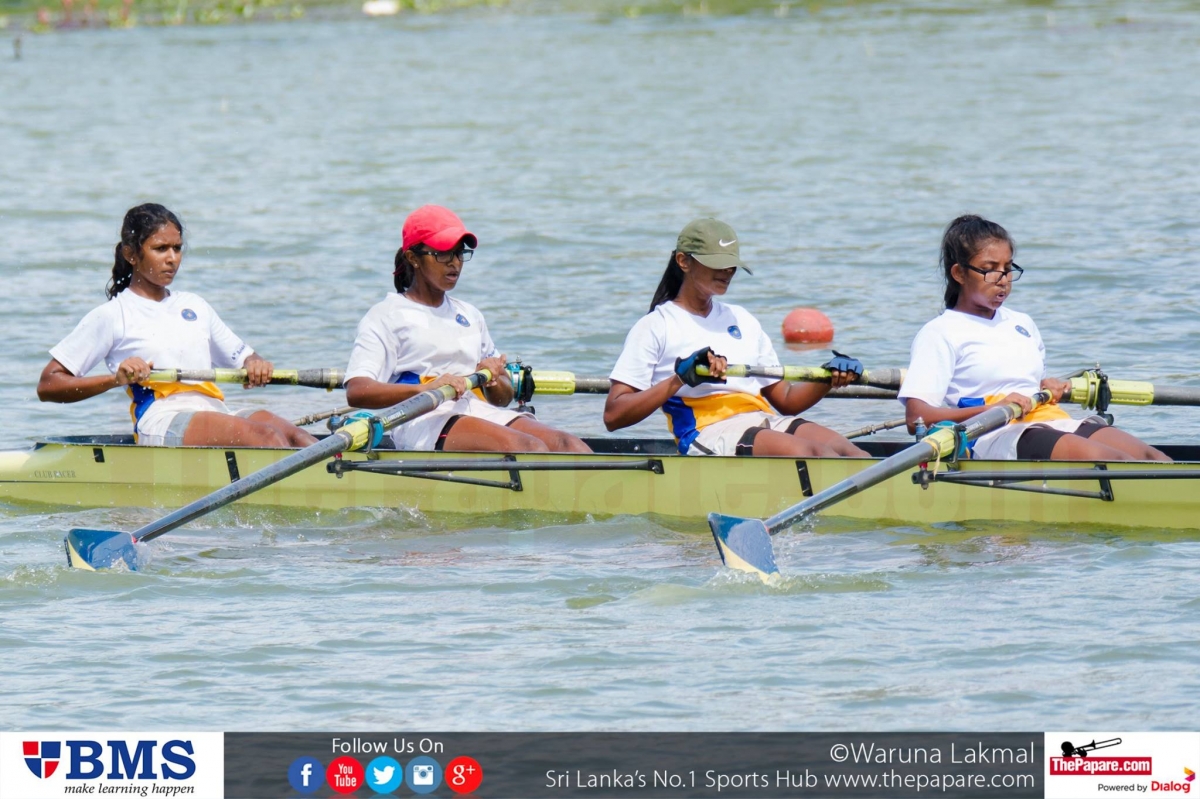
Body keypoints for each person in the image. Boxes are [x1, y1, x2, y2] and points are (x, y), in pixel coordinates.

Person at [37, 203, 317, 449]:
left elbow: (244, 358)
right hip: (162, 419)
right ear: (131, 254)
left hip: (214, 409)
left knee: (300, 439)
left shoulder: (195, 305)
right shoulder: (112, 315)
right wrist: (116, 379)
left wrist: (255, 364)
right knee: (267, 437)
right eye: (160, 249)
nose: (172, 258)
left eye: (177, 248)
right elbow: (49, 385)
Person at [897, 214, 1169, 461]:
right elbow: (917, 417)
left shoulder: (1022, 323)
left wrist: (1046, 384)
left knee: (1154, 459)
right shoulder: (940, 333)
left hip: (1046, 418)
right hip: (994, 433)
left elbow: (1020, 382)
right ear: (959, 273)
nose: (1003, 279)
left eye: (1007, 268)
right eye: (990, 269)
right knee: (1113, 461)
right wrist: (996, 408)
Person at [604, 218, 869, 457]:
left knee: (852, 454)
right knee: (812, 453)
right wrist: (680, 379)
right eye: (717, 263)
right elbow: (613, 416)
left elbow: (787, 400)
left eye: (732, 265)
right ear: (684, 261)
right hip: (707, 429)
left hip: (759, 418)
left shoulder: (743, 319)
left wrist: (828, 376)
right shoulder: (655, 326)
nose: (728, 271)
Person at [344, 205, 591, 453]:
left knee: (569, 445)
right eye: (443, 254)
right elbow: (357, 391)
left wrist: (495, 378)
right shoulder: (386, 316)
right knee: (530, 447)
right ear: (413, 258)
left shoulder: (470, 314)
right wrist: (425, 389)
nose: (455, 263)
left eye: (460, 253)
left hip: (476, 409)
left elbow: (503, 399)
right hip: (422, 419)